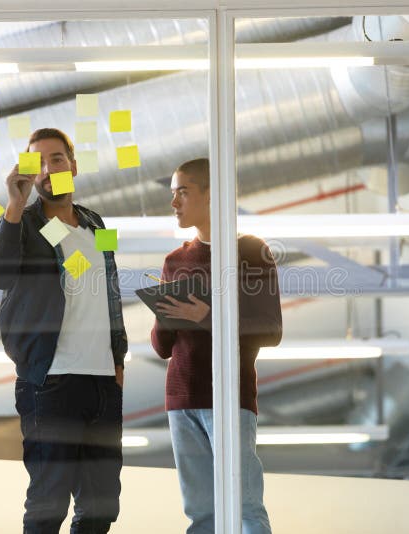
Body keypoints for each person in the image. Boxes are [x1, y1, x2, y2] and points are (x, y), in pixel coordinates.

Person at [0, 128, 127, 534]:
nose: (48, 169)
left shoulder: (96, 223)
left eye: (57, 159)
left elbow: (109, 291)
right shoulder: (22, 224)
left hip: (102, 382)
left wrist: (118, 359)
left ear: (73, 166)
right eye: (38, 162)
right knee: (49, 505)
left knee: (101, 507)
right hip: (50, 380)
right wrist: (14, 202)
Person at [150, 158, 282, 534]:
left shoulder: (252, 252)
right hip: (181, 400)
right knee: (200, 515)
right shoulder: (175, 260)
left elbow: (271, 329)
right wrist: (163, 311)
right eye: (172, 193)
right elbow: (161, 347)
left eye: (183, 192)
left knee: (246, 508)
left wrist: (205, 317)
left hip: (229, 396)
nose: (174, 202)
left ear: (212, 194)